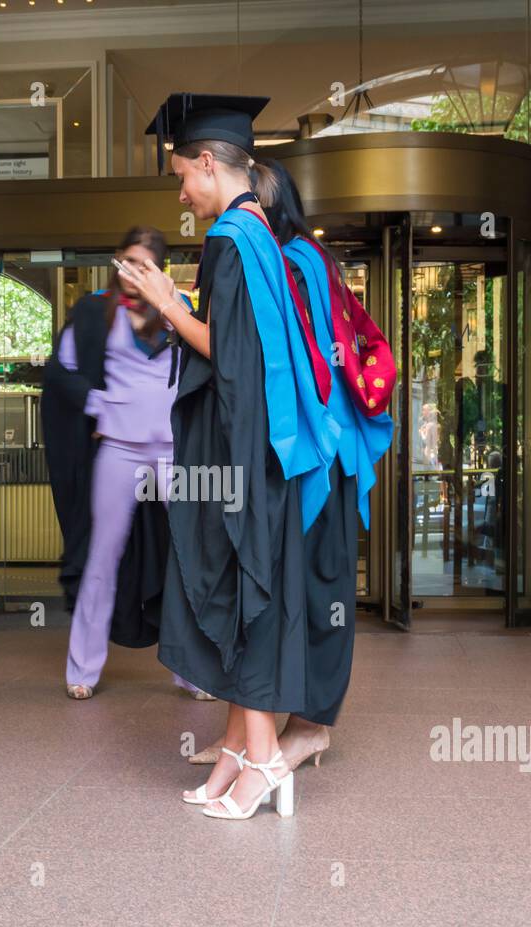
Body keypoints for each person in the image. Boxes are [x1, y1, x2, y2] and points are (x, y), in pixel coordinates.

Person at [125, 93, 340, 821]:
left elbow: (231, 353)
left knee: (239, 592)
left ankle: (263, 761)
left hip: (238, 452)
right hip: (270, 449)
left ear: (209, 163)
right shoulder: (264, 240)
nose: (180, 190)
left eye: (182, 173)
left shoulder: (229, 239)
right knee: (251, 597)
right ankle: (244, 756)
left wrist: (168, 303)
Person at [178, 159, 396, 771]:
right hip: (323, 449)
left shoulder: (292, 260)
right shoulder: (300, 258)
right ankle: (253, 736)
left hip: (321, 455)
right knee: (302, 589)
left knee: (317, 591)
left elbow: (261, 356)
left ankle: (310, 728)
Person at [41, 225, 215, 702]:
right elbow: (63, 370)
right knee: (102, 557)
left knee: (186, 558)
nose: (133, 271)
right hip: (118, 449)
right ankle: (83, 668)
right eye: (127, 261)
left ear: (158, 268)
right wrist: (100, 405)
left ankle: (193, 671)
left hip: (172, 452)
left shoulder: (181, 308)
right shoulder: (96, 311)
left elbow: (209, 363)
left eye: (144, 263)